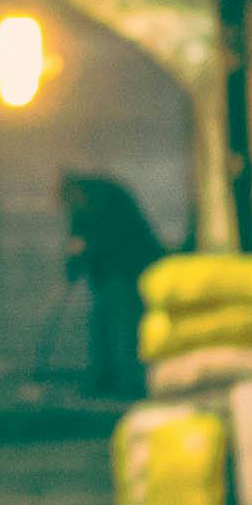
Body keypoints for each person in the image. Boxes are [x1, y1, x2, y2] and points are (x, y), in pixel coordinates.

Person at [64, 170, 165, 399]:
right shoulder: (82, 206)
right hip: (108, 275)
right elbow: (78, 240)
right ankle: (104, 378)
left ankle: (130, 381)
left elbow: (112, 238)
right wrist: (72, 268)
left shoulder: (105, 198)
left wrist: (87, 248)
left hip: (128, 270)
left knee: (126, 326)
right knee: (101, 325)